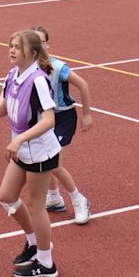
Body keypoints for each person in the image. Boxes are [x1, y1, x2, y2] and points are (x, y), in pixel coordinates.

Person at [0, 30, 61, 277]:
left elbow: (49, 119)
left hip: (40, 151)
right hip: (22, 149)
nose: (11, 50)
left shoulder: (38, 80)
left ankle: (46, 263)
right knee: (6, 196)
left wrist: (21, 138)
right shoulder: (12, 75)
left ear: (32, 53)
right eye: (10, 45)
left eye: (17, 47)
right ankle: (33, 242)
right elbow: (3, 107)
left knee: (36, 205)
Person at [30, 25, 93, 224]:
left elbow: (82, 84)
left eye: (41, 41)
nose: (38, 45)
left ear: (47, 44)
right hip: (43, 119)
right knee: (44, 160)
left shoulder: (58, 67)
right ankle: (55, 198)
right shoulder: (28, 68)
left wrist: (87, 114)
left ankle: (79, 199)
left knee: (54, 162)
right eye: (34, 42)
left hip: (63, 117)